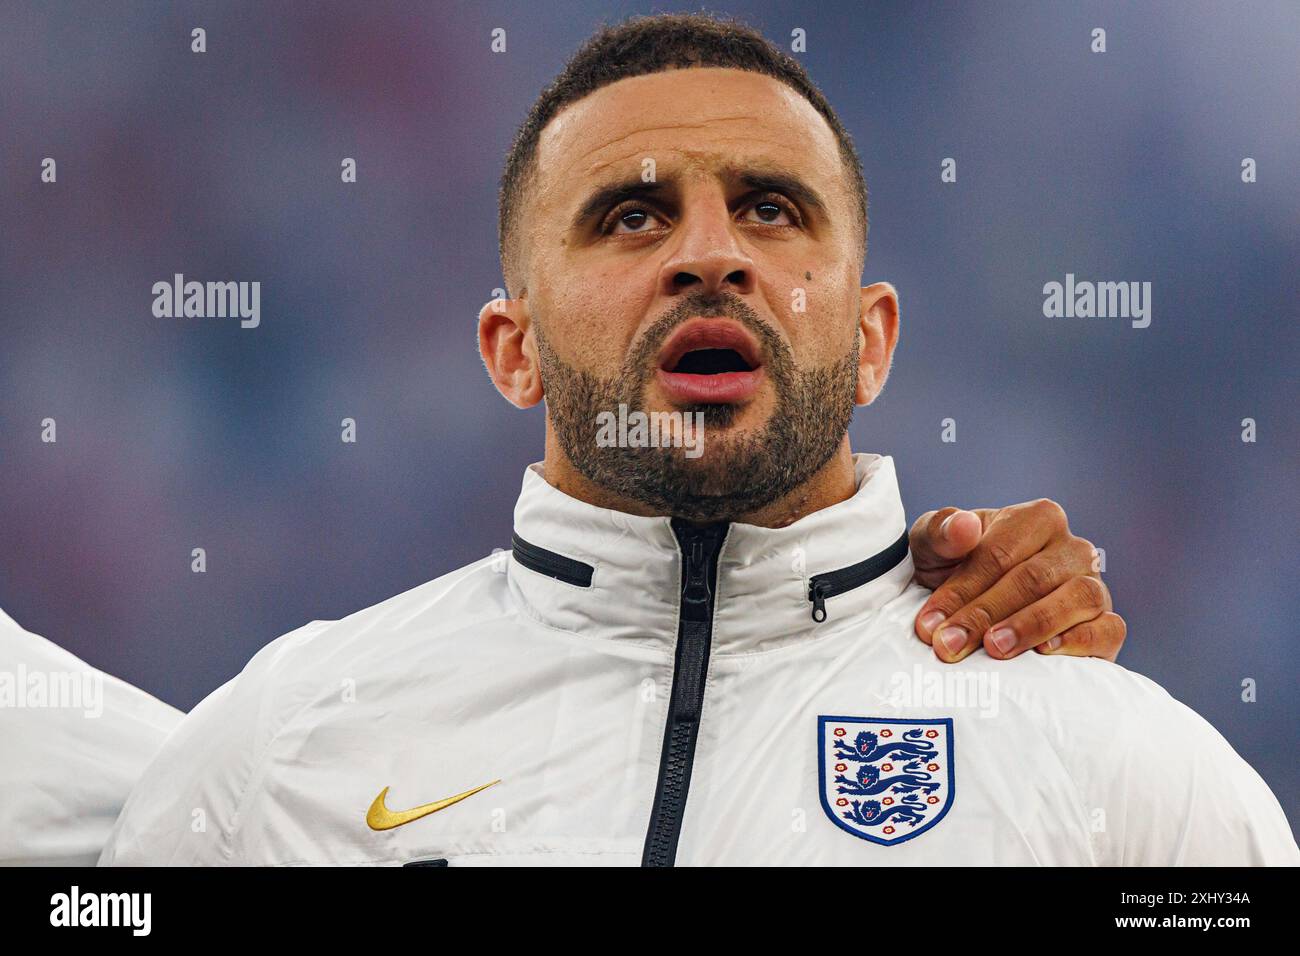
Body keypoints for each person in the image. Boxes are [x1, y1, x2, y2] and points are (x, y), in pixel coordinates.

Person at [100, 13, 1293, 866]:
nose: (711, 253)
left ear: (872, 341)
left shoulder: (1126, 773)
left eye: (771, 209)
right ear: (509, 348)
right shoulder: (283, 748)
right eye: (633, 215)